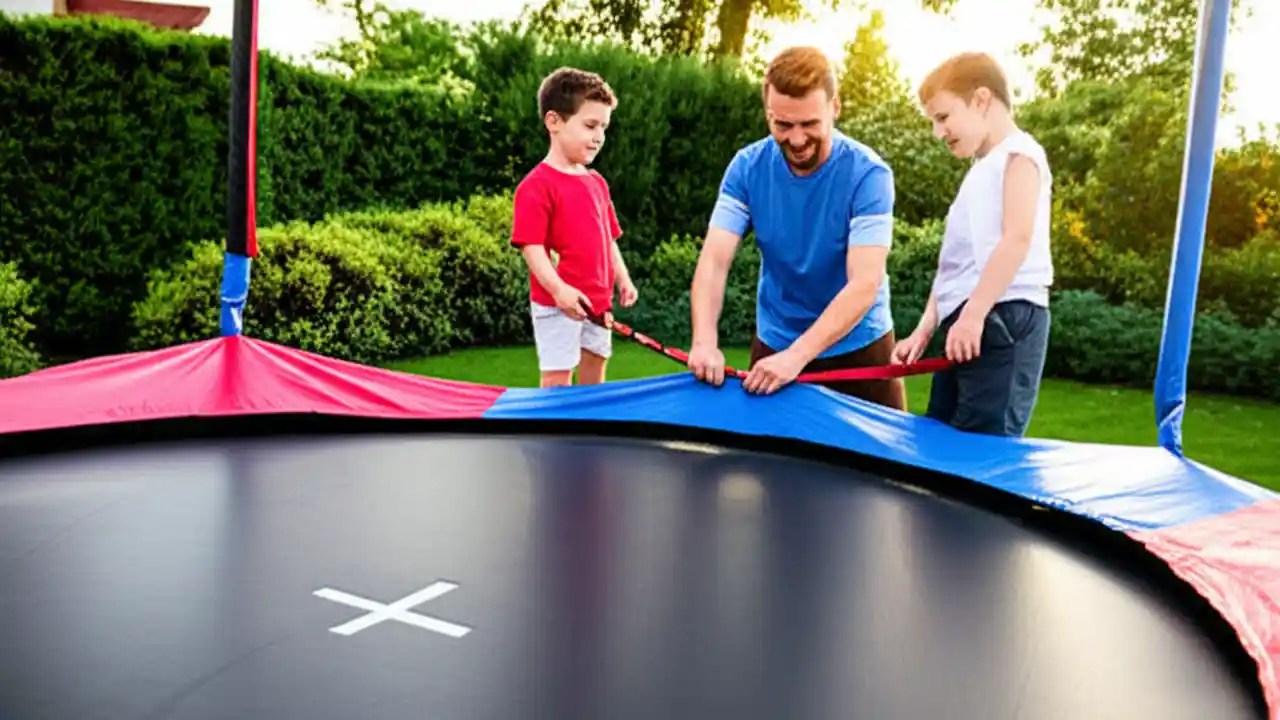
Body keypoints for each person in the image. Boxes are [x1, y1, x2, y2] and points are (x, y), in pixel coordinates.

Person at [686, 46, 905, 409]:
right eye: (783, 125)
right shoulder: (746, 168)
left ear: (835, 108)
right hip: (777, 338)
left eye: (810, 124)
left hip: (860, 347)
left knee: (881, 466)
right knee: (766, 463)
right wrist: (705, 340)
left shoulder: (869, 174)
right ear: (768, 113)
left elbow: (864, 283)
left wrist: (796, 357)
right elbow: (714, 262)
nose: (797, 139)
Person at [891, 52, 1053, 437]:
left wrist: (976, 314)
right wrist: (923, 331)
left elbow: (1018, 238)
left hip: (1004, 317)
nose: (937, 132)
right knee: (939, 444)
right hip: (968, 321)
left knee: (982, 454)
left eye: (943, 117)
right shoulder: (981, 172)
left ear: (981, 99)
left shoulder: (1021, 154)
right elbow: (955, 265)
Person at [510, 67, 638, 388]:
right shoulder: (536, 186)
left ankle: (590, 435)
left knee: (594, 373)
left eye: (604, 128)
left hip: (598, 302)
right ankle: (552, 435)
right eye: (590, 125)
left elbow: (608, 239)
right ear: (554, 122)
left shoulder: (596, 183)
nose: (599, 136)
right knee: (558, 378)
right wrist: (559, 291)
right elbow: (532, 247)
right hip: (558, 305)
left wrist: (623, 278)